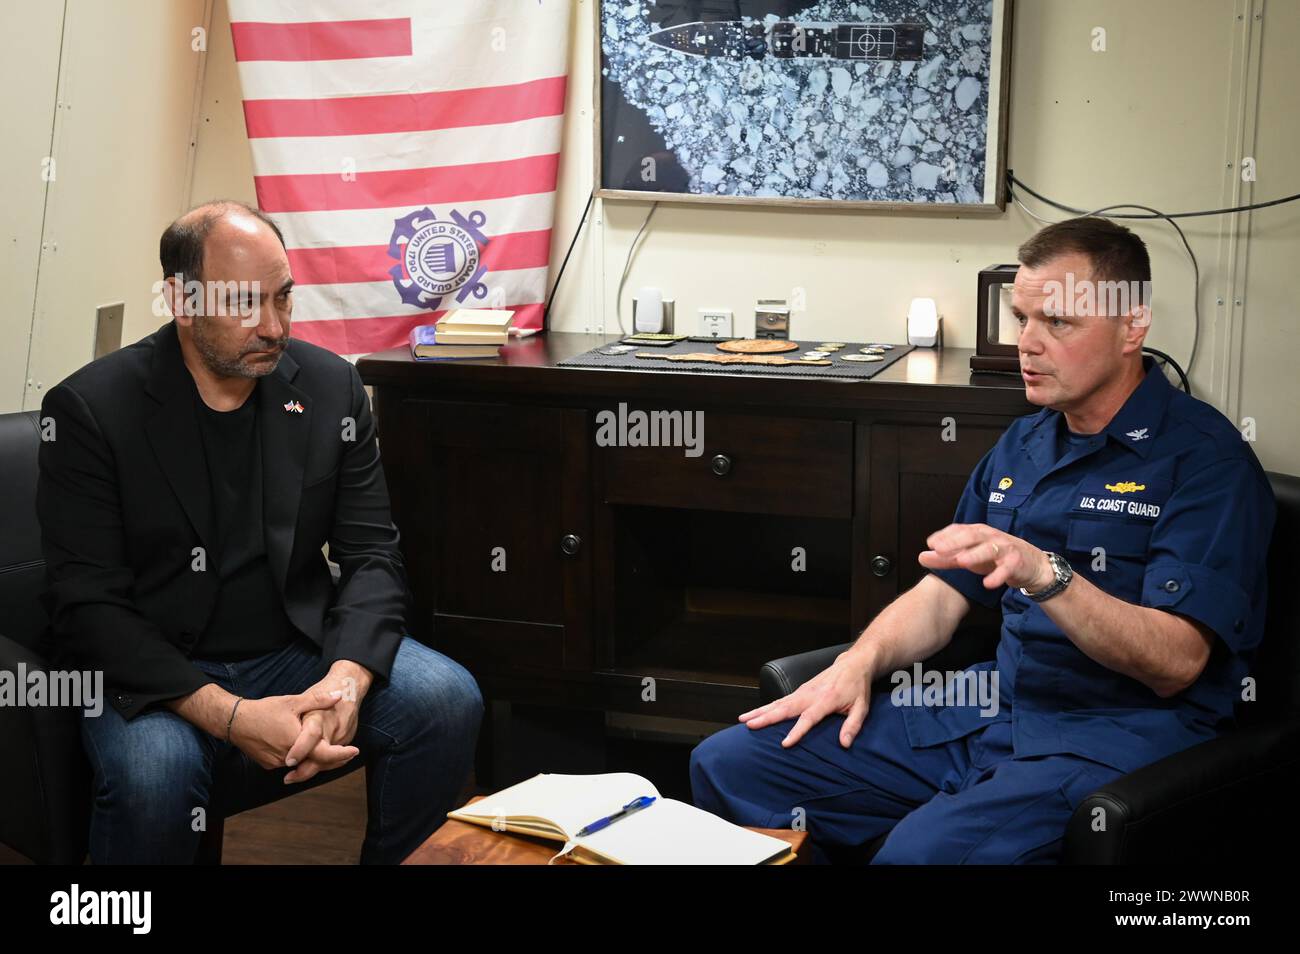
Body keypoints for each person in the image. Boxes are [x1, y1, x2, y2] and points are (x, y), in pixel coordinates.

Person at [690, 216, 1276, 863]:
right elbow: (944, 593)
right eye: (1021, 318)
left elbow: (1177, 664)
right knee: (731, 764)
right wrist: (857, 663)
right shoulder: (1024, 442)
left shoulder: (1205, 462)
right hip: (989, 708)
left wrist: (1044, 574)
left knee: (919, 855)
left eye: (1057, 323)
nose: (1027, 342)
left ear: (1132, 327)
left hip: (1113, 735)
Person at [37, 200, 483, 864]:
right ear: (182, 302)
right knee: (155, 773)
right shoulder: (91, 411)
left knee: (447, 699)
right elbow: (89, 607)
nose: (273, 327)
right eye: (247, 303)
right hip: (160, 663)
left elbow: (372, 557)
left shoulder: (331, 389)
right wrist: (232, 716)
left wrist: (346, 679)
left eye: (284, 298)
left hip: (290, 645)